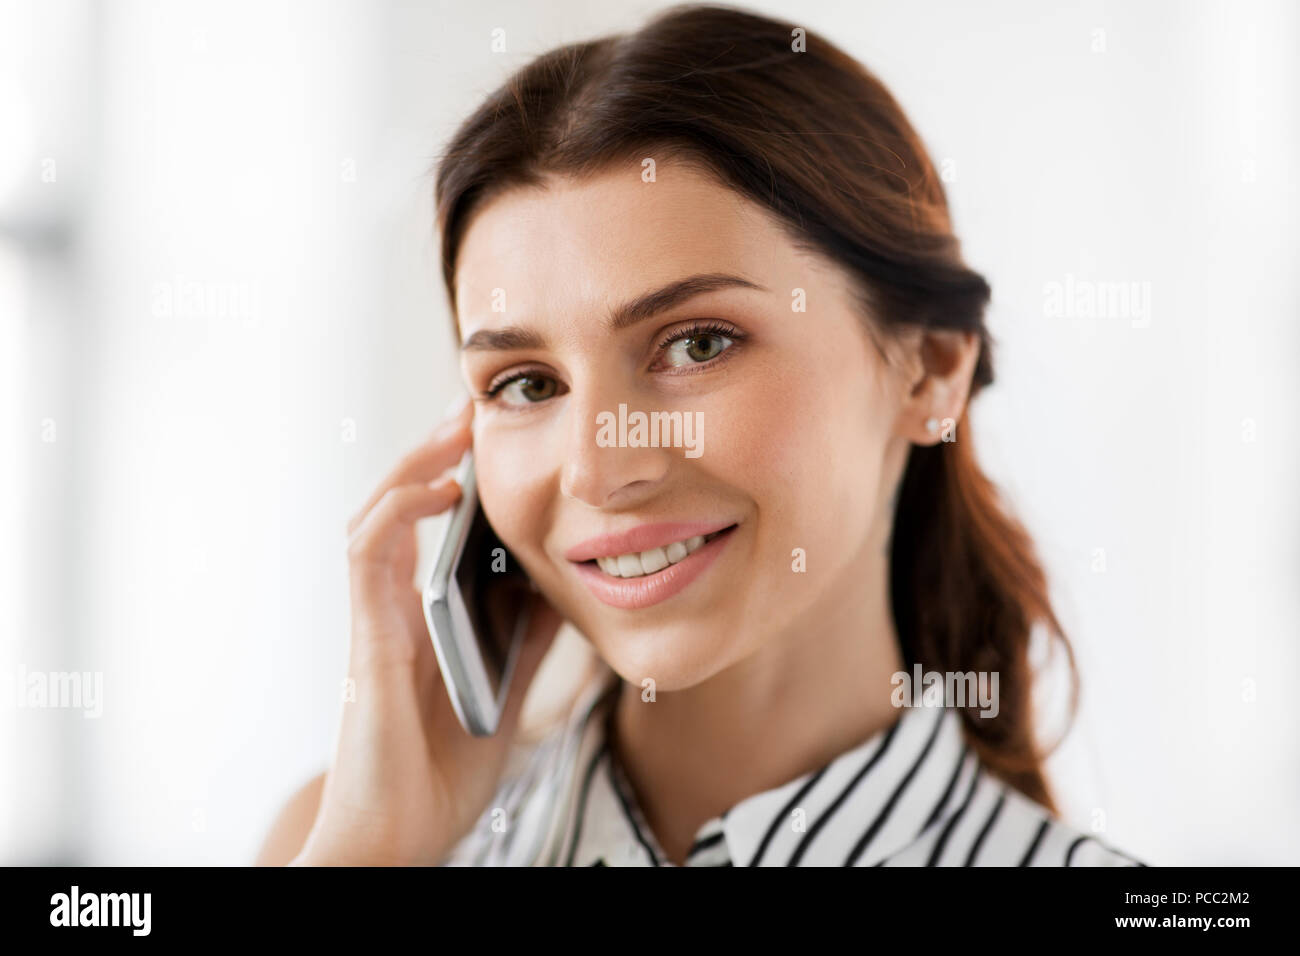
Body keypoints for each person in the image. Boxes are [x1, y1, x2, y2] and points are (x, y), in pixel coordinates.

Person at [257, 3, 1144, 867]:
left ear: (932, 368)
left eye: (698, 343)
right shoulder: (345, 842)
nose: (597, 471)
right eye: (527, 384)